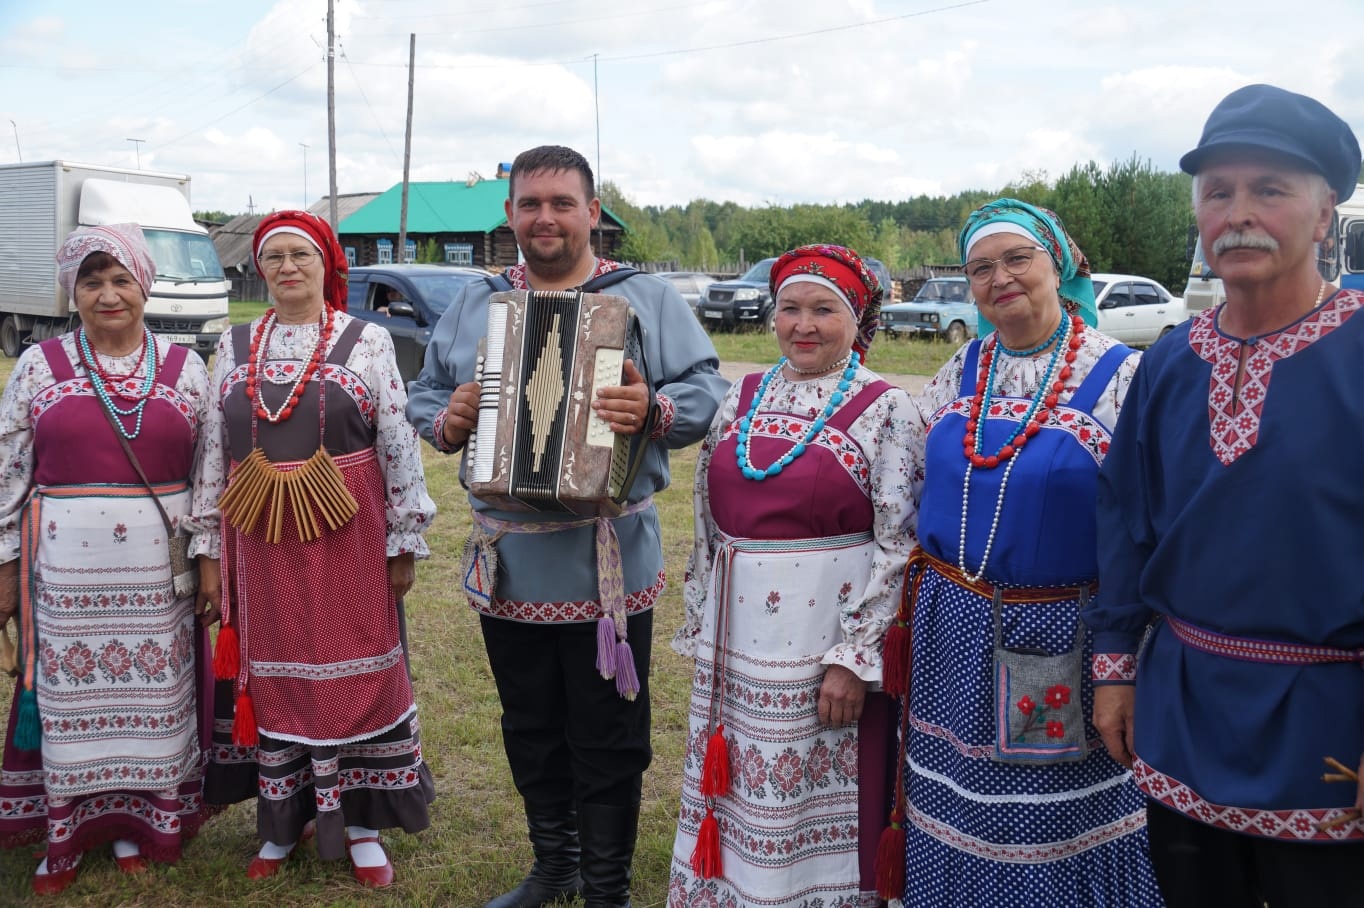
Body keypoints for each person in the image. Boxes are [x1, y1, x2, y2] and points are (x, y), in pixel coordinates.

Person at [406, 144, 728, 908]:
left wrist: (653, 410)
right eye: (529, 203)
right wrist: (446, 420)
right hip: (510, 559)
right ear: (510, 214)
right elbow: (423, 394)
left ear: (593, 214)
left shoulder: (644, 299)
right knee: (530, 721)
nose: (544, 217)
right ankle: (555, 867)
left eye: (561, 202)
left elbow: (709, 389)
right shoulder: (476, 301)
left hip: (607, 554)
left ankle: (606, 887)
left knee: (609, 732)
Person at [1087, 84, 1364, 906]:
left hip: (1330, 725)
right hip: (1183, 710)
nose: (1238, 213)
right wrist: (1114, 670)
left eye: (1270, 191)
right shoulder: (1170, 363)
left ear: (1323, 217)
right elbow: (1126, 519)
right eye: (1218, 193)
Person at [881, 198, 1162, 906]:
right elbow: (907, 482)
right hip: (950, 635)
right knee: (954, 805)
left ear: (1059, 263)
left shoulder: (1123, 378)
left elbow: (1148, 527)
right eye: (980, 267)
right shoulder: (960, 369)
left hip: (1059, 640)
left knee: (1049, 816)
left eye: (1017, 259)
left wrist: (1126, 658)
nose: (999, 278)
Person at [192, 209, 437, 888]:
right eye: (273, 258)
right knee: (273, 678)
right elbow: (214, 451)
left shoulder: (367, 342)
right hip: (259, 540)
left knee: (355, 671)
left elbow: (396, 440)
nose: (287, 268)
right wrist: (209, 550)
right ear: (258, 269)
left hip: (347, 535)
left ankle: (360, 825)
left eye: (301, 254)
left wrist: (405, 537)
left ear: (328, 265)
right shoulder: (233, 345)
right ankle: (280, 823)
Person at [667, 244, 915, 907]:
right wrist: (705, 620)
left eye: (823, 310)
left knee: (815, 796)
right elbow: (706, 515)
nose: (803, 325)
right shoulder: (742, 395)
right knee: (743, 789)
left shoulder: (886, 408)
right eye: (790, 309)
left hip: (823, 646)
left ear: (858, 318)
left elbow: (899, 542)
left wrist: (854, 658)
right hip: (737, 644)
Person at [0, 223, 216, 894]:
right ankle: (64, 831)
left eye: (121, 279)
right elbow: (8, 472)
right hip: (64, 577)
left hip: (158, 579)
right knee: (72, 705)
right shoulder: (39, 366)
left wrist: (207, 556)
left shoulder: (188, 369)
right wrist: (5, 564)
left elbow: (212, 476)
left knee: (153, 703)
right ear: (73, 291)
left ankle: (139, 825)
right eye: (91, 281)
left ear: (144, 286)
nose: (108, 294)